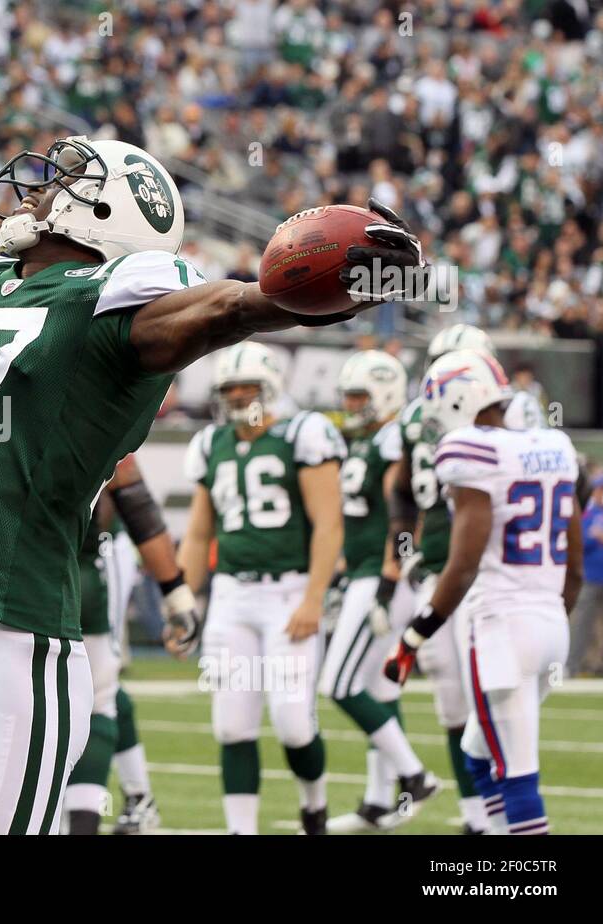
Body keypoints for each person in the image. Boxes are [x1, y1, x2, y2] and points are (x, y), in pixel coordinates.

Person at [0, 134, 422, 834]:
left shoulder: (111, 308)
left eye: (66, 179)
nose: (37, 187)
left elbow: (229, 309)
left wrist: (334, 287)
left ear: (110, 208)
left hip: (9, 643)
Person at [385, 349, 582, 836]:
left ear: (457, 402)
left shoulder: (474, 452)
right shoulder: (553, 446)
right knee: (478, 752)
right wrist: (551, 617)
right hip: (552, 624)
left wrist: (414, 635)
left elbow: (464, 564)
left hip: (501, 629)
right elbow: (573, 565)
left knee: (517, 773)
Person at [180, 341, 344, 835]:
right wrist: (182, 607)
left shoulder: (304, 434)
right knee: (231, 725)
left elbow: (329, 524)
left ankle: (314, 805)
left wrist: (315, 597)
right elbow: (197, 533)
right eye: (228, 389)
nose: (235, 398)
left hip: (289, 592)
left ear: (269, 389)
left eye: (244, 388)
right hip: (232, 595)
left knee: (295, 725)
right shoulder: (211, 444)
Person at [320, 350, 439, 834]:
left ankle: (415, 775)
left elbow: (403, 513)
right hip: (365, 572)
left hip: (383, 577)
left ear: (387, 393)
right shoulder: (368, 438)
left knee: (340, 684)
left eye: (359, 395)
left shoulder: (394, 439)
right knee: (378, 688)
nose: (351, 404)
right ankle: (375, 801)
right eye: (347, 395)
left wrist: (390, 581)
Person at [64, 454, 196, 835]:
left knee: (99, 683)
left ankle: (135, 796)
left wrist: (175, 592)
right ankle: (132, 798)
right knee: (90, 689)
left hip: (97, 550)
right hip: (63, 558)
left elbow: (123, 482)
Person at [569, 473, 603, 676]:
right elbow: (580, 542)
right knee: (581, 624)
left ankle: (598, 665)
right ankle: (571, 666)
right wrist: (597, 538)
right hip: (591, 577)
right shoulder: (588, 514)